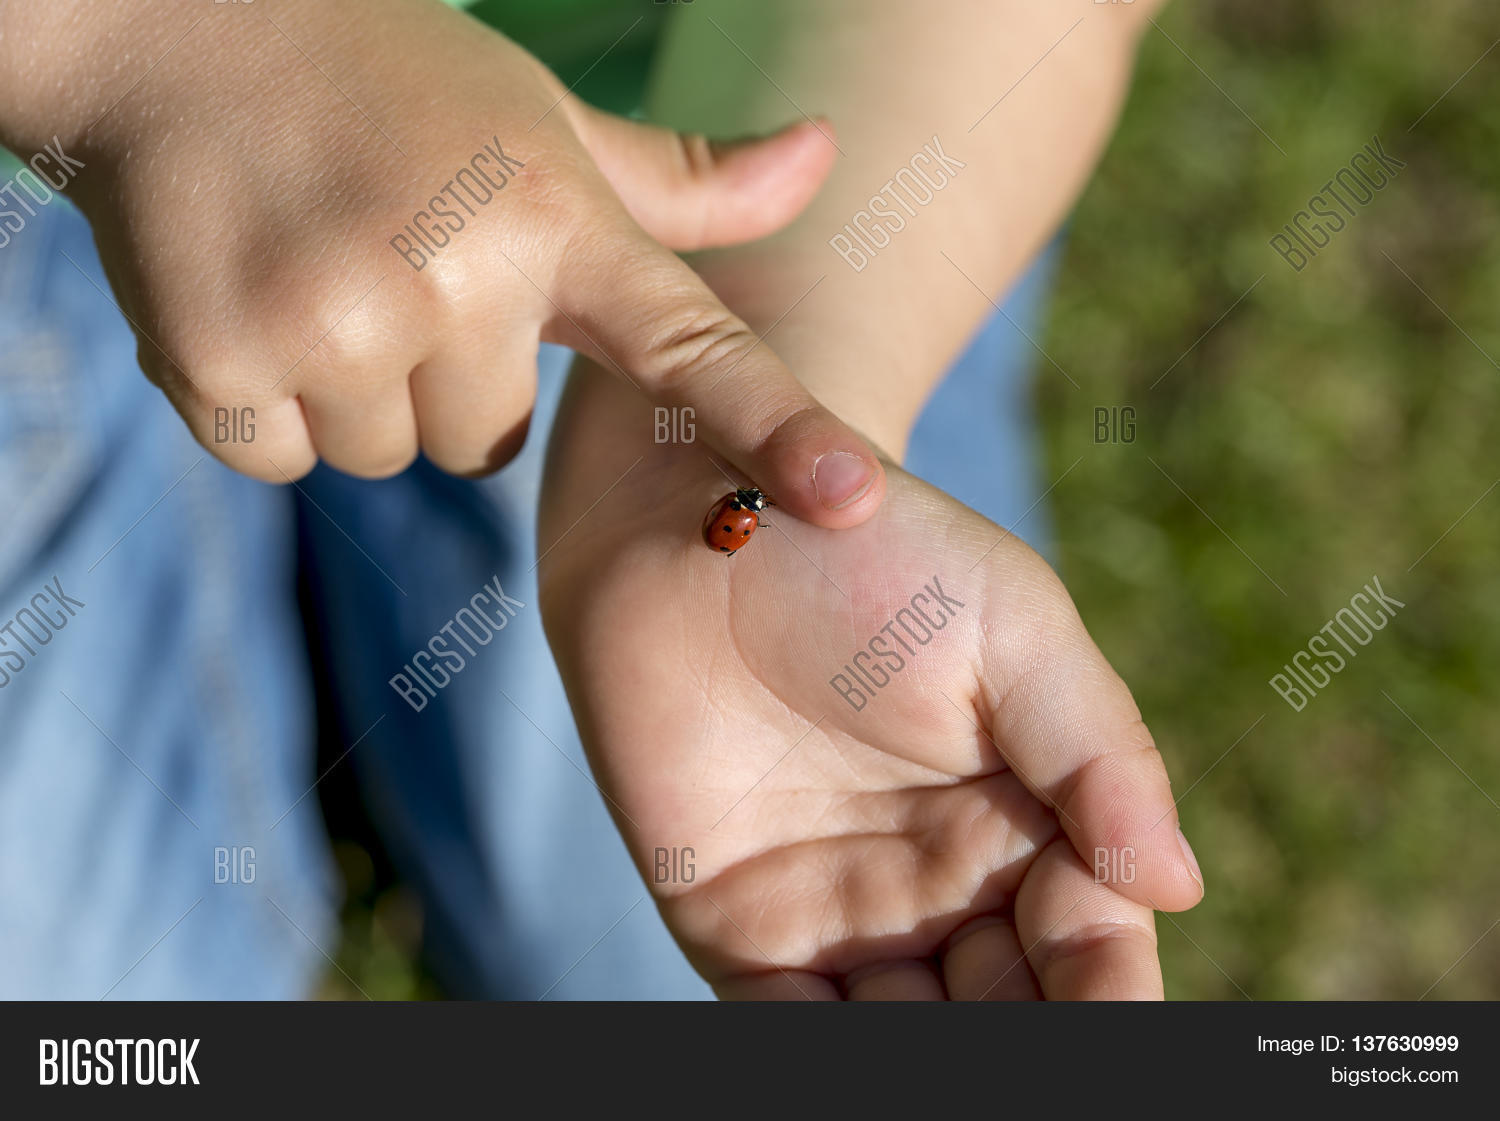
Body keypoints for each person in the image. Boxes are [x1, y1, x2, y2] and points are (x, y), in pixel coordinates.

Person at [0, 0, 1201, 999]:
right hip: (44, 163)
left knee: (712, 940)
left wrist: (773, 367)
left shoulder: (724, 493)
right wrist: (150, 43)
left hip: (699, 194)